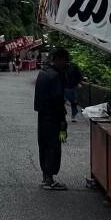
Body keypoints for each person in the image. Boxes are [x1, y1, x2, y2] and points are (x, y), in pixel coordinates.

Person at [33, 54, 68, 190]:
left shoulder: (43, 73)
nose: (65, 64)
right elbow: (58, 99)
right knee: (54, 146)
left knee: (44, 145)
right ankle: (50, 180)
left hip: (43, 116)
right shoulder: (55, 77)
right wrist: (62, 121)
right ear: (58, 60)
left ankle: (45, 175)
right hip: (54, 117)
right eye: (65, 60)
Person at [53, 46, 82, 120]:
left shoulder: (73, 67)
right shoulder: (58, 68)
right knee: (61, 101)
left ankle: (73, 114)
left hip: (72, 86)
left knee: (74, 102)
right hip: (64, 87)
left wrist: (78, 82)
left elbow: (79, 75)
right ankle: (62, 114)